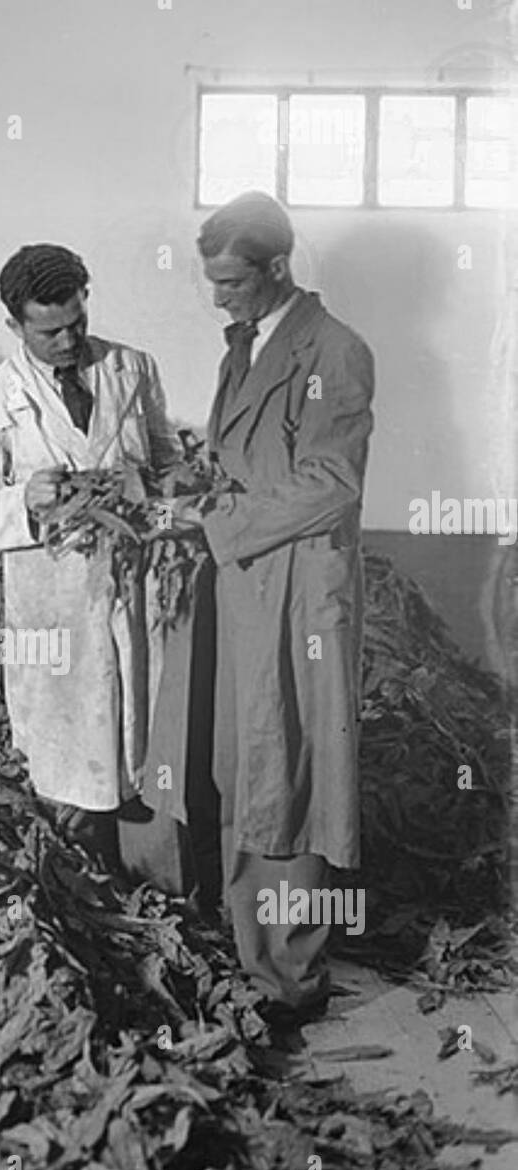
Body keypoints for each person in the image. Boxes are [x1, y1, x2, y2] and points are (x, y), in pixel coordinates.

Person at [143, 192, 376, 1022]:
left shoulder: (333, 351)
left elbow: (330, 483)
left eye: (232, 282)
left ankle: (288, 979)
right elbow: (244, 460)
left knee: (289, 772)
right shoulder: (243, 347)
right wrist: (188, 488)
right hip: (240, 580)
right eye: (212, 282)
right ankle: (243, 940)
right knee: (237, 758)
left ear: (279, 268)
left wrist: (213, 517)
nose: (218, 298)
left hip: (298, 591)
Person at [0, 244, 187, 873]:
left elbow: (167, 462)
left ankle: (166, 909)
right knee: (70, 767)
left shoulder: (132, 370)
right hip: (54, 604)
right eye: (49, 330)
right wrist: (27, 502)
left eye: (77, 322)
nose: (68, 340)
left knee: (148, 755)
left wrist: (162, 504)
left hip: (136, 590)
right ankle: (88, 911)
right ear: (15, 326)